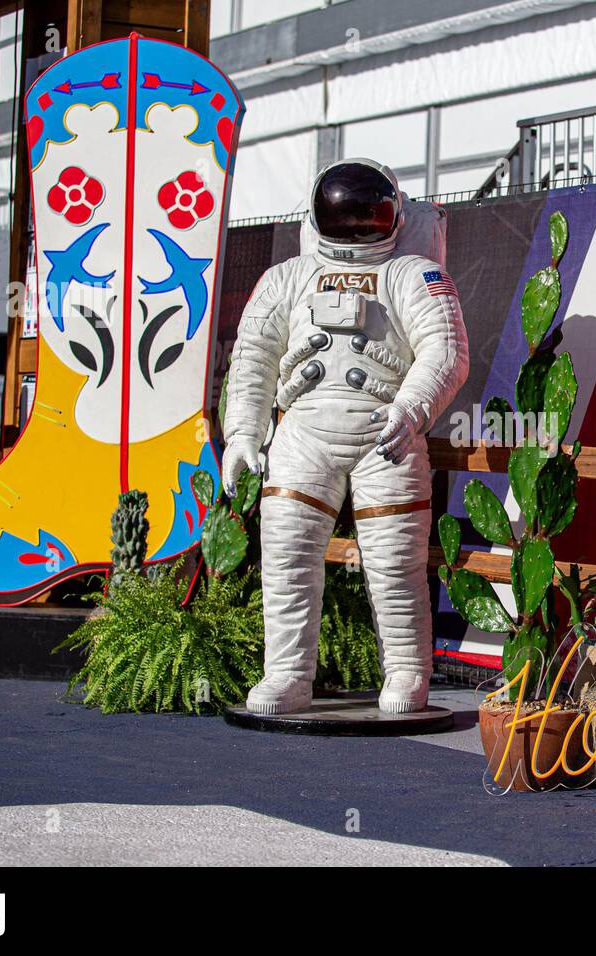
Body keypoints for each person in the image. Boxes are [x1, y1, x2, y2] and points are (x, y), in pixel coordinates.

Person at [221, 158, 469, 715]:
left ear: (396, 216)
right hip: (303, 432)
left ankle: (407, 673)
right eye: (347, 216)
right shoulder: (287, 279)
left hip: (388, 433)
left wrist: (411, 407)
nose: (357, 225)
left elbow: (445, 351)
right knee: (285, 556)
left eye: (368, 216)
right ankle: (286, 675)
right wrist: (243, 433)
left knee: (395, 564)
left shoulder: (414, 275)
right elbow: (253, 357)